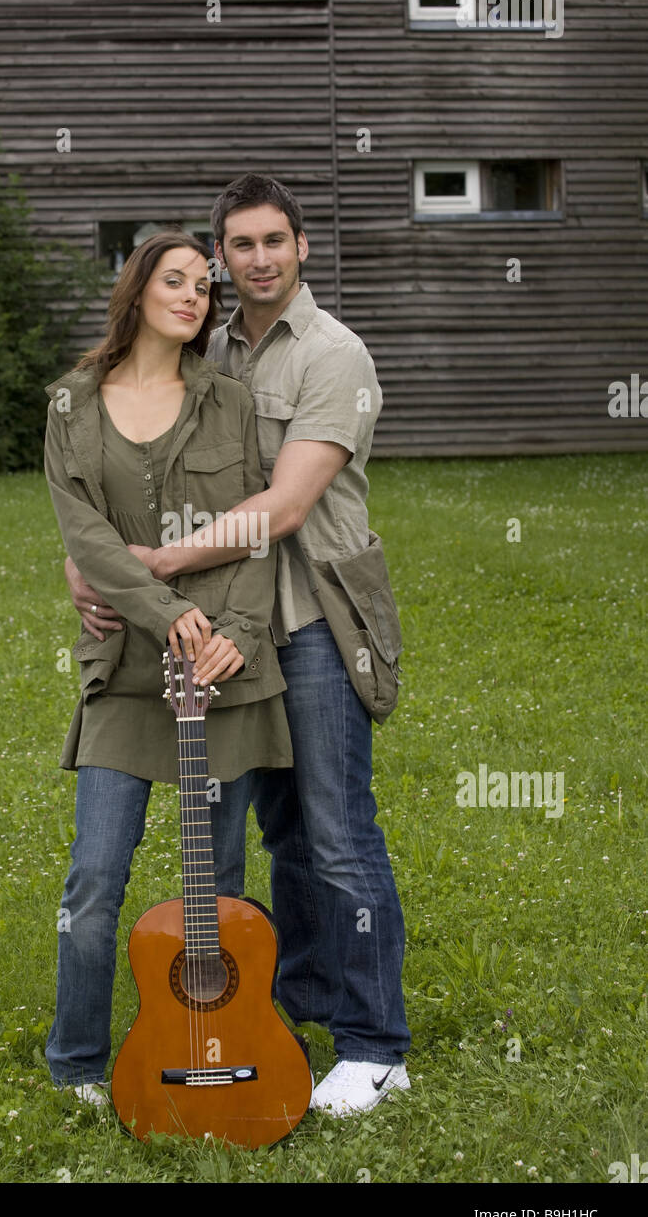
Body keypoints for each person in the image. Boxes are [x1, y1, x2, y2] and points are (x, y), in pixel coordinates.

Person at [67, 178, 411, 1115]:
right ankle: (289, 1009)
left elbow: (285, 508)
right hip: (227, 631)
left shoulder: (333, 356)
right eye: (241, 246)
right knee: (282, 830)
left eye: (274, 241)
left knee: (338, 832)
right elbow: (122, 469)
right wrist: (89, 567)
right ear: (223, 259)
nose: (257, 259)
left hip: (317, 621)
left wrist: (156, 560)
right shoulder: (203, 344)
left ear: (301, 246)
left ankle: (377, 1044)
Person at [42, 230, 292, 1102]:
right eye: (175, 280)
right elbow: (89, 542)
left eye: (203, 285)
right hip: (127, 673)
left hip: (219, 674)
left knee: (217, 890)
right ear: (138, 289)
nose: (193, 295)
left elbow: (258, 529)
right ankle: (76, 1063)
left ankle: (217, 1045)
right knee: (96, 875)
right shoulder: (72, 404)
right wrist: (170, 613)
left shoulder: (228, 400)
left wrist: (235, 635)